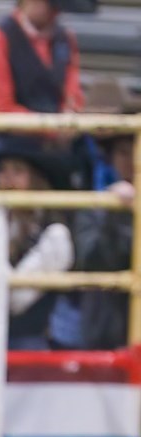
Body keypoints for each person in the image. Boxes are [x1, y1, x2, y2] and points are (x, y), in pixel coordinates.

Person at [55, 78, 136, 350]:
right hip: (106, 335)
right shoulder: (94, 206)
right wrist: (117, 214)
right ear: (111, 158)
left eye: (136, 151)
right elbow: (92, 261)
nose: (131, 161)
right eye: (123, 152)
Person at [0, 135, 78, 350]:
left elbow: (15, 301)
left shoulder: (54, 235)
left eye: (17, 171)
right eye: (2, 170)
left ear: (34, 179)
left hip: (26, 338)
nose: (7, 179)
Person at [0, 0, 85, 118]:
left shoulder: (64, 38)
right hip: (11, 132)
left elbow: (73, 94)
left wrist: (69, 116)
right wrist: (49, 127)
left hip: (58, 127)